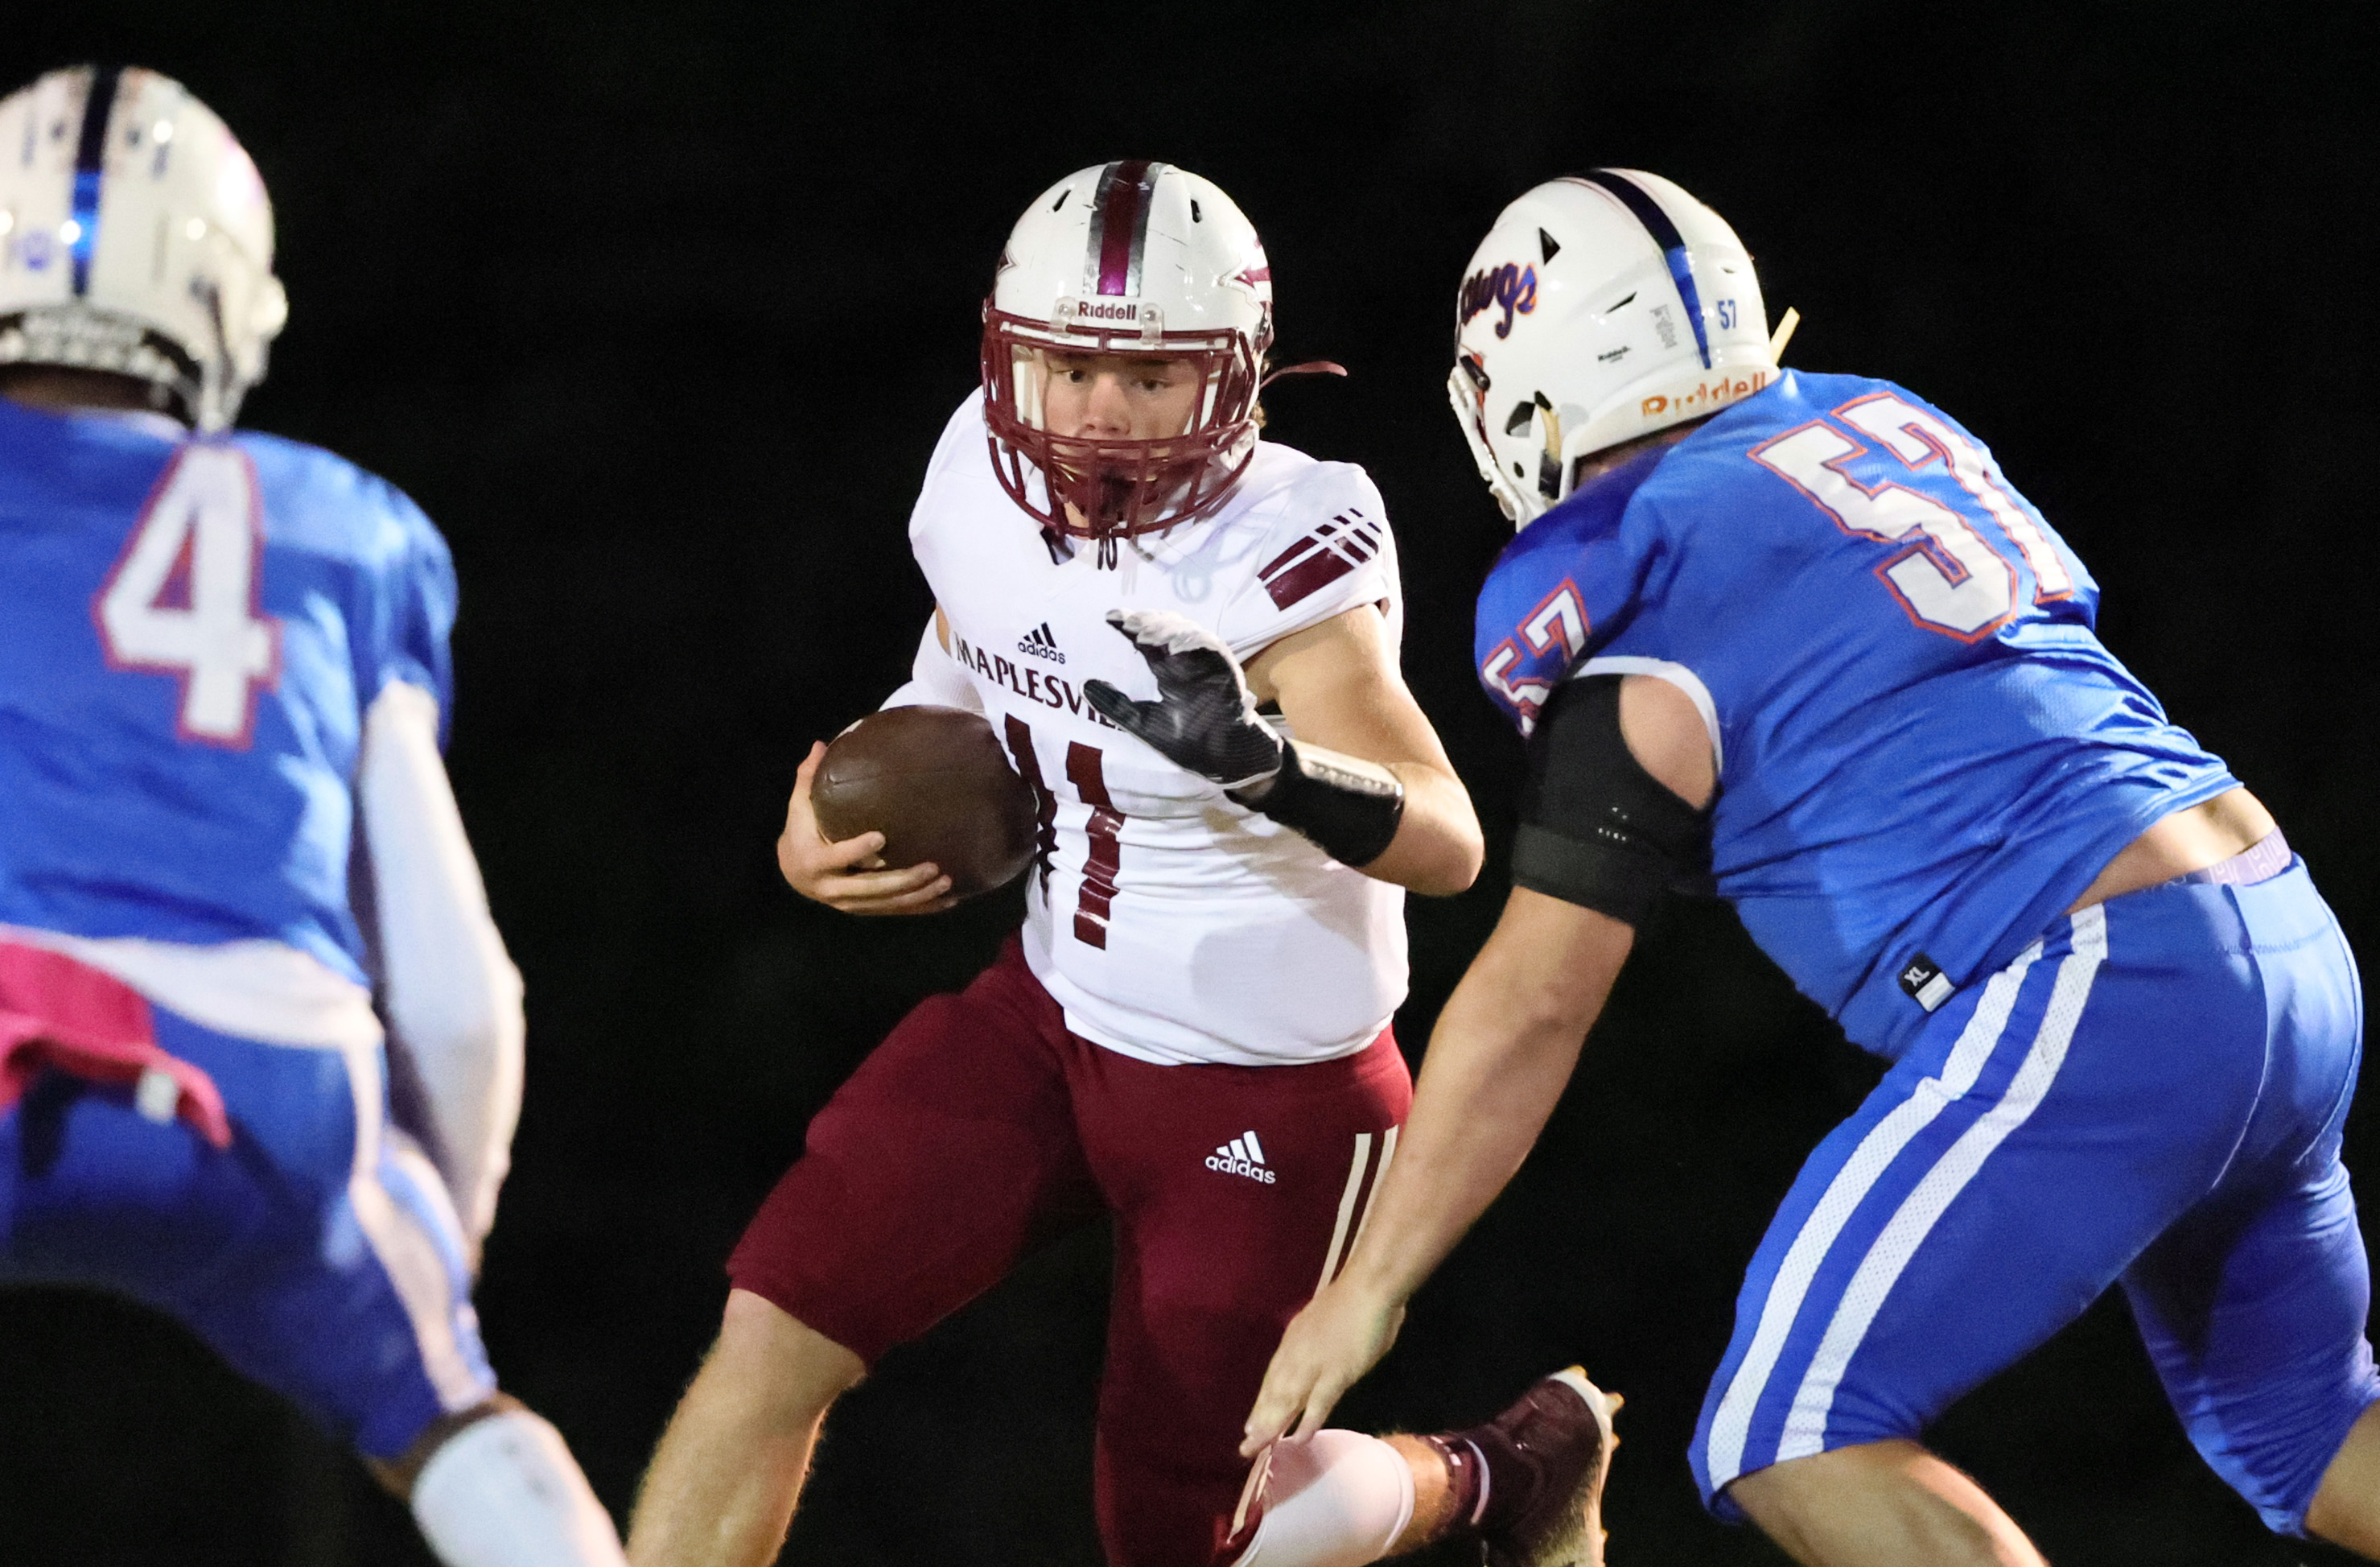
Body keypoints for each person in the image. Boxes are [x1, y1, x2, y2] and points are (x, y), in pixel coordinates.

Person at [1239, 170, 2380, 1565]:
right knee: (2306, 1433)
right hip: (2277, 923)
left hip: (2097, 978)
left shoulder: (1643, 585)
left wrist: (1373, 1287)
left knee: (1789, 1433)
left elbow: (1537, 997)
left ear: (1526, 402)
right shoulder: (1867, 424)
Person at [624, 161, 1612, 1567]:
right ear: (1004, 351)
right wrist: (840, 803)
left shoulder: (1280, 540)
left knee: (1184, 1542)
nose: (1096, 410)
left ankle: (1491, 1474)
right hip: (1045, 1017)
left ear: (1237, 380)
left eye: (1149, 379)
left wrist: (1267, 765)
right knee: (777, 1319)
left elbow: (1447, 838)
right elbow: (965, 667)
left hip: (1265, 1088)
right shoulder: (976, 453)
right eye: (1068, 365)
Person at [0, 66, 627, 1567]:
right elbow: (459, 991)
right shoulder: (337, 525)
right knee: (462, 1427)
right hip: (254, 1079)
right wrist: (419, 1247)